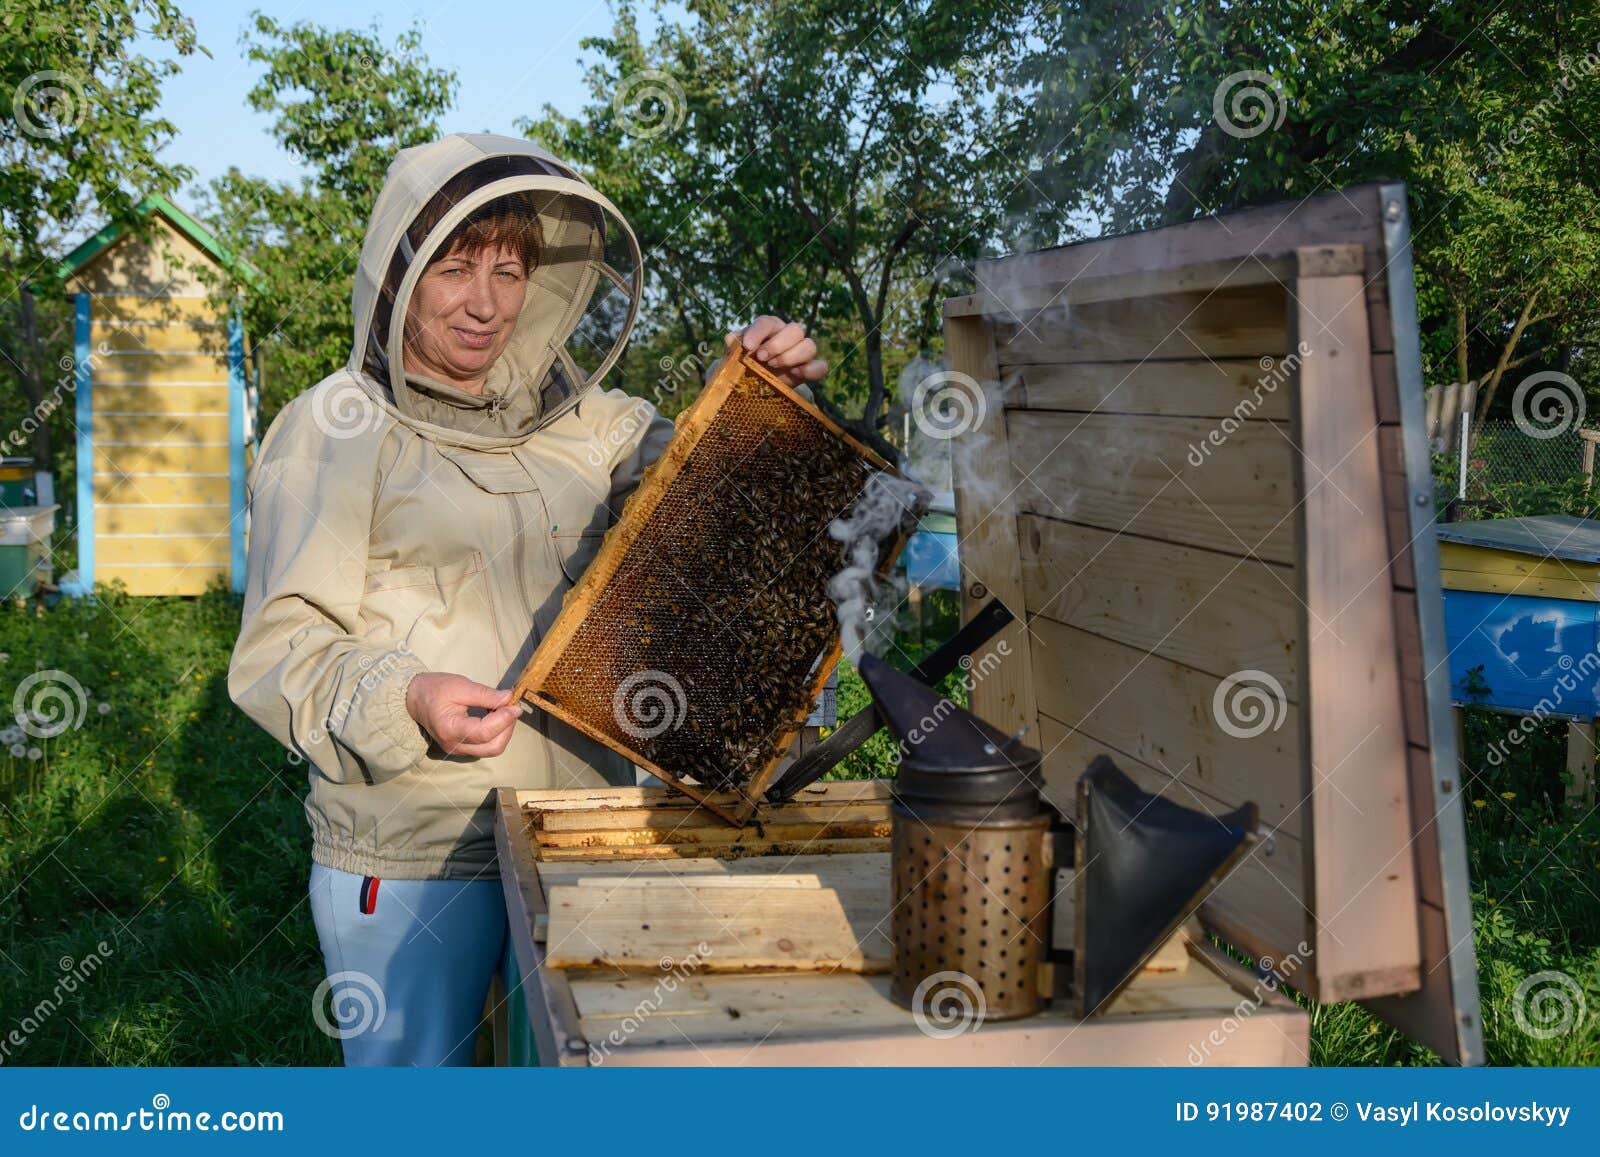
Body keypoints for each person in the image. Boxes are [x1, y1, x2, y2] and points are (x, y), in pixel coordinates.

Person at [227, 133, 828, 1066]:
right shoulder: (335, 427)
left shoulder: (592, 424)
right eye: (455, 268)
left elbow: (704, 496)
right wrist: (407, 696)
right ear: (398, 275)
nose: (484, 304)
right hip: (417, 843)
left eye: (509, 272)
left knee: (575, 1078)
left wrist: (756, 384)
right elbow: (280, 649)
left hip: (582, 830)